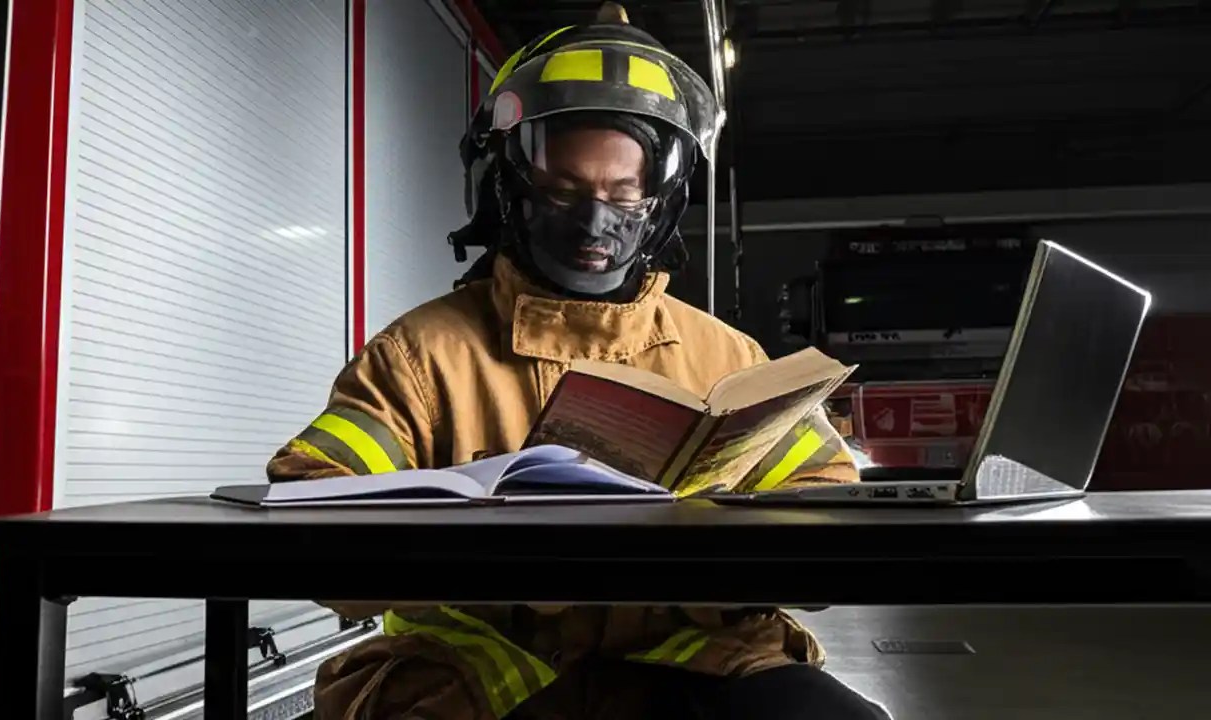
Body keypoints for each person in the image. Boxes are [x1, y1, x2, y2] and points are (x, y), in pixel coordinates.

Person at [266, 4, 887, 718]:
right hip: (475, 682)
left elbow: (826, 498)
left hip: (701, 668)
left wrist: (726, 546)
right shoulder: (422, 356)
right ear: (506, 185)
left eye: (623, 195)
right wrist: (480, 546)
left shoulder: (728, 357)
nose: (595, 222)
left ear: (662, 201)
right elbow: (310, 510)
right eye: (564, 190)